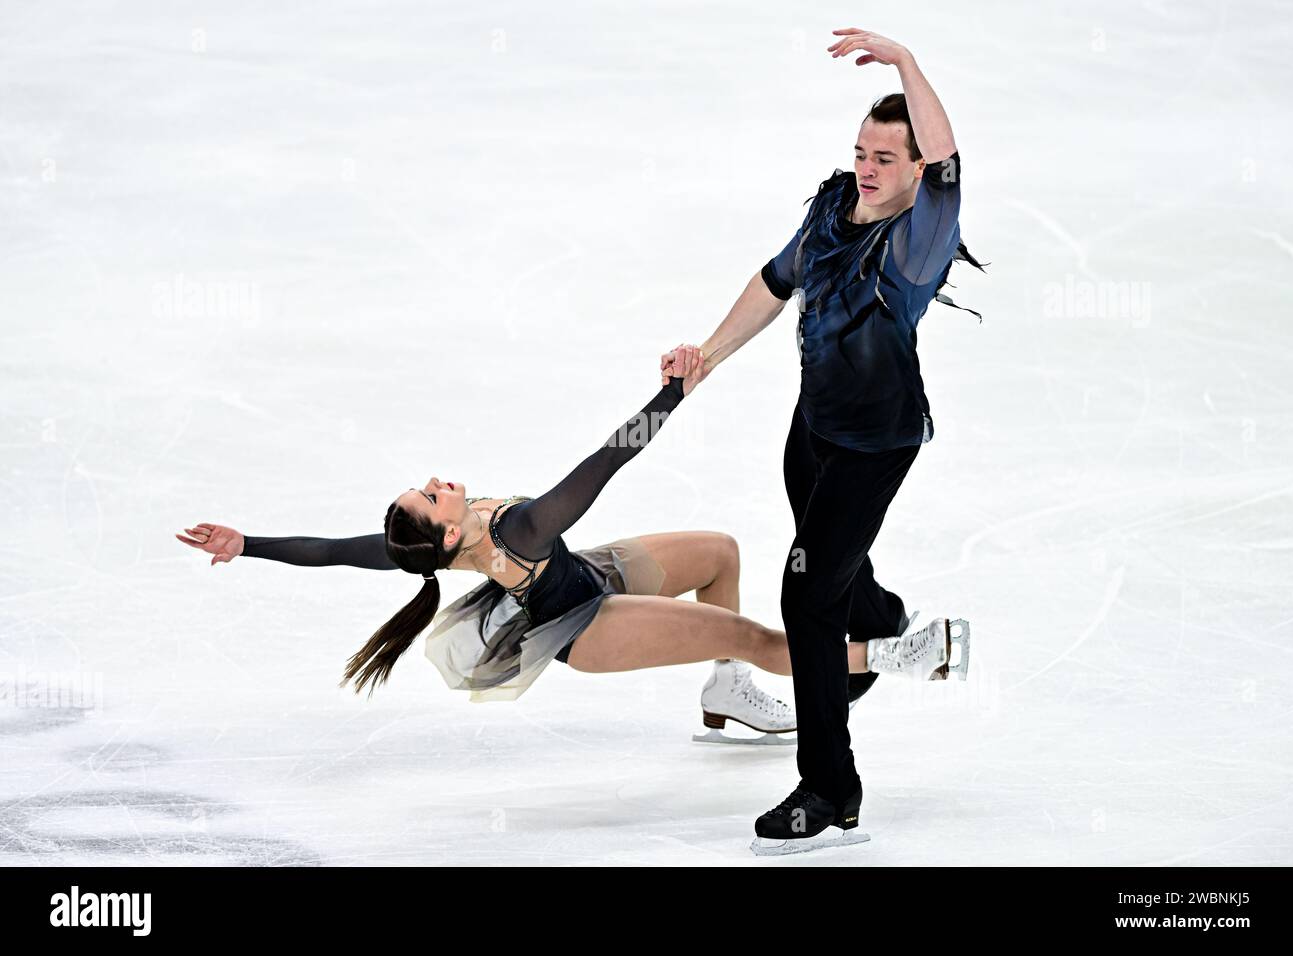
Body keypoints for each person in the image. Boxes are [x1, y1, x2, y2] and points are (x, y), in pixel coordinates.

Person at [177, 348, 948, 744]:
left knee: (719, 551)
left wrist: (246, 543)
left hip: (591, 573)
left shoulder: (429, 546)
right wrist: (676, 390)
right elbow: (609, 459)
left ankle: (723, 693)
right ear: (448, 533)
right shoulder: (515, 531)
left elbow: (333, 549)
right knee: (755, 637)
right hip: (587, 626)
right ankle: (898, 658)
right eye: (432, 492)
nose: (439, 480)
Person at [658, 29, 979, 853]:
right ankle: (886, 620)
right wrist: (708, 357)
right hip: (813, 432)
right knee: (835, 570)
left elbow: (949, 162)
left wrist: (908, 63)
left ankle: (831, 788)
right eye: (863, 150)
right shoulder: (834, 209)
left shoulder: (920, 237)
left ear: (915, 170)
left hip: (876, 442)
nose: (870, 166)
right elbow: (774, 283)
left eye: (886, 156)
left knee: (807, 597)